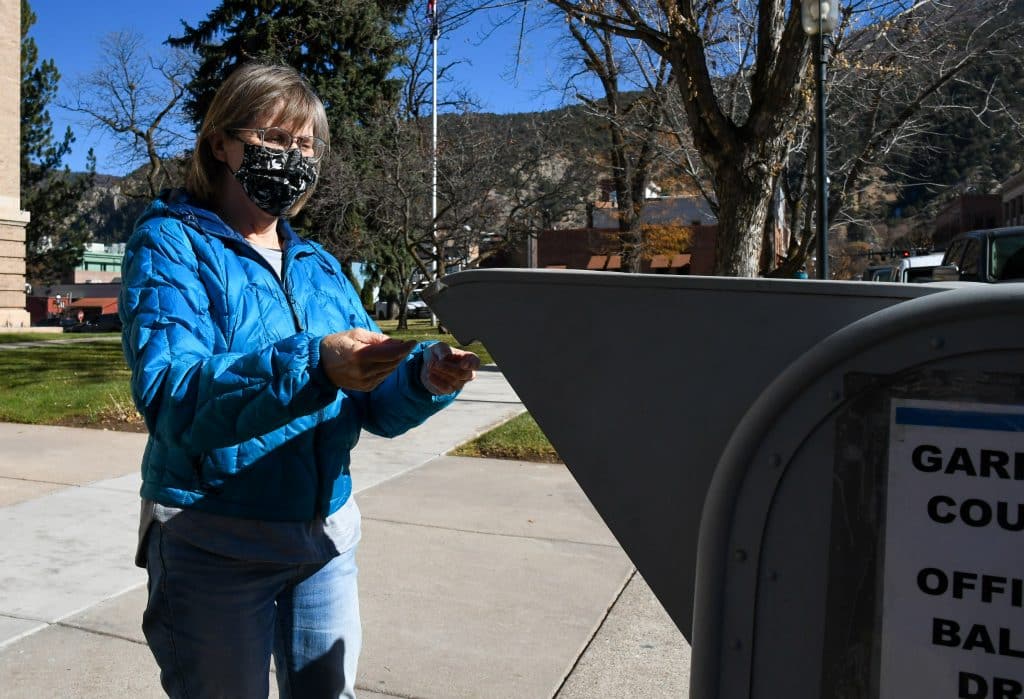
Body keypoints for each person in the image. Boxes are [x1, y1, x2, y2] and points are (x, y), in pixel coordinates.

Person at [118, 62, 479, 699]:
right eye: (276, 138)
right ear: (220, 144)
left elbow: (373, 403)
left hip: (325, 541)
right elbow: (173, 396)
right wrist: (315, 362)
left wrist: (423, 378)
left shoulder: (319, 265)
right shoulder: (170, 244)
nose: (294, 158)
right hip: (214, 539)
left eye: (307, 144)